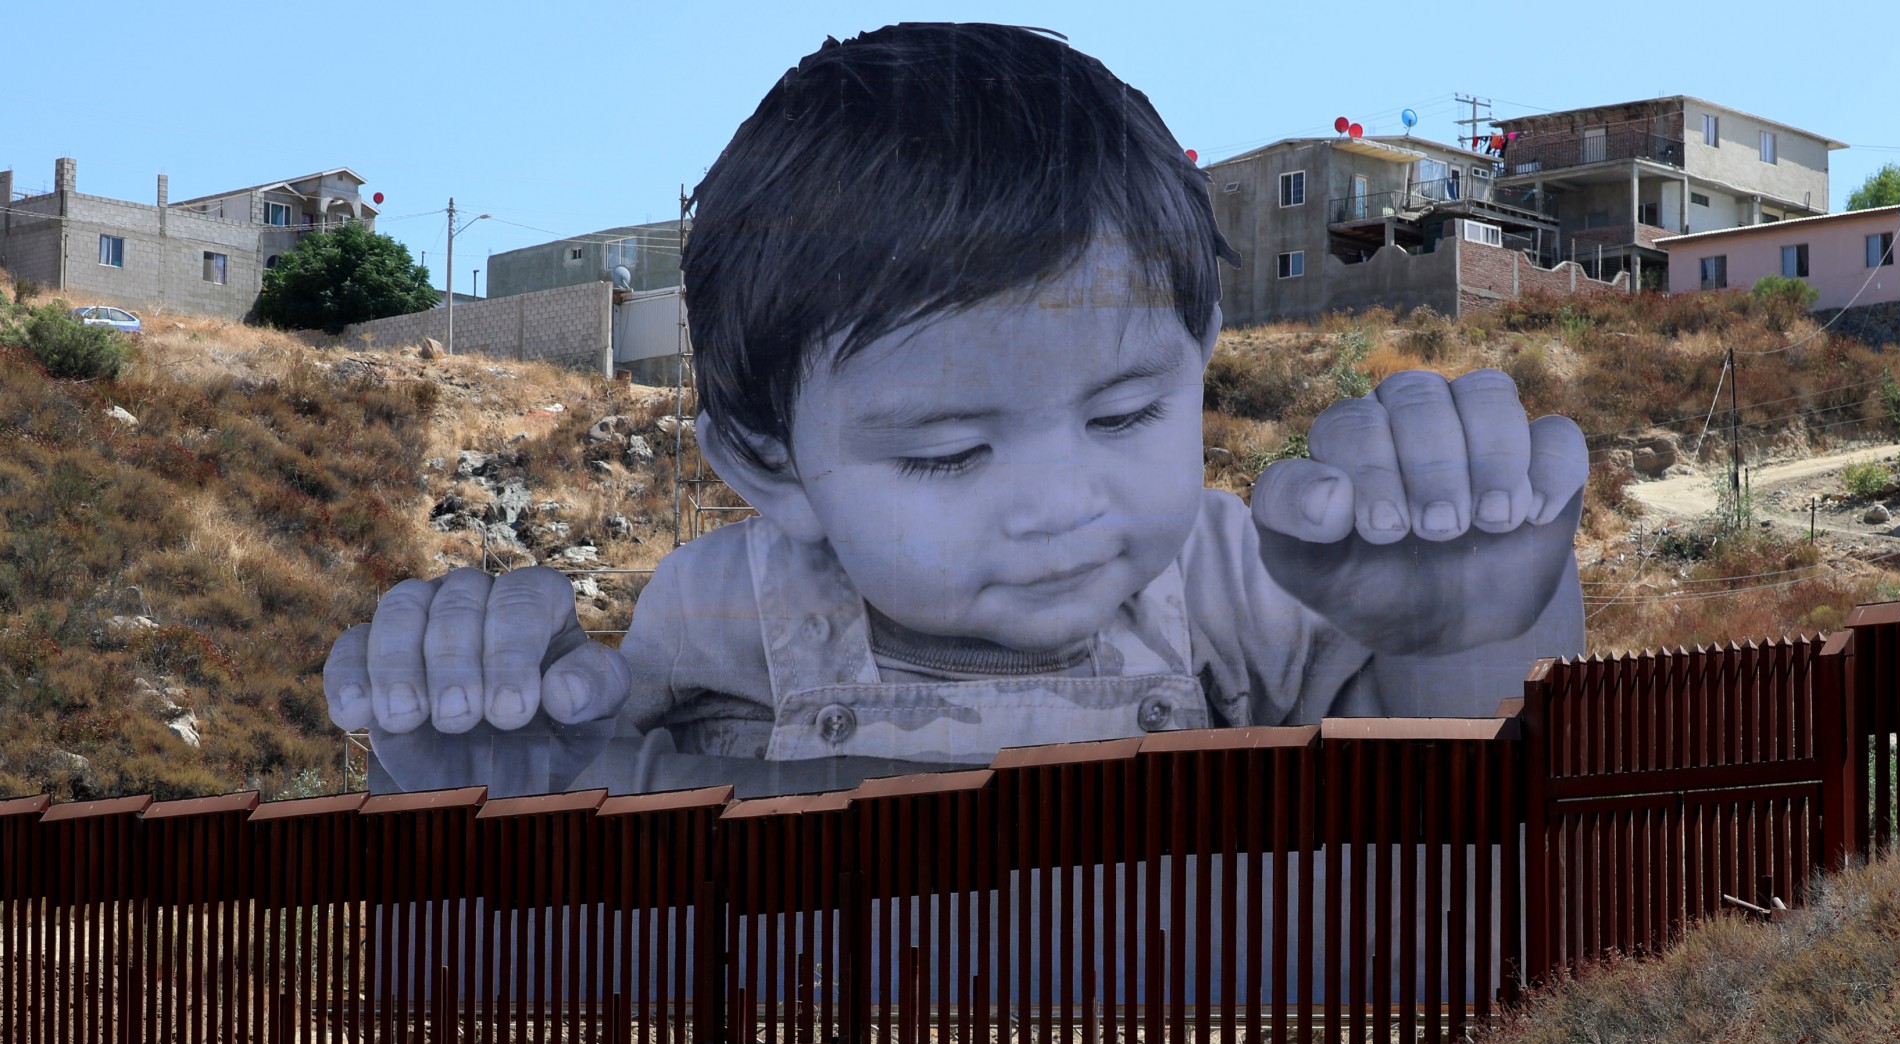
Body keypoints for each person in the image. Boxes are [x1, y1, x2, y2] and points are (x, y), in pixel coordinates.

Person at [324, 23, 1586, 798]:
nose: (1060, 504)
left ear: (1202, 355)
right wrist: (484, 763)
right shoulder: (718, 617)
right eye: (947, 454)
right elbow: (598, 897)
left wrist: (1470, 628)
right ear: (771, 468)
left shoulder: (1248, 589)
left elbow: (1460, 846)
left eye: (1125, 415)